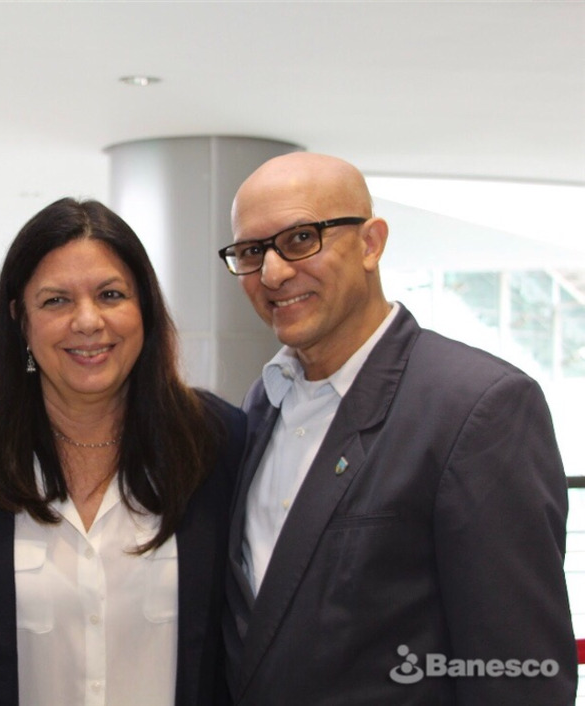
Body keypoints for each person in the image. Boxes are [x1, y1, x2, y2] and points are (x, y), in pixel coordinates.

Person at [219, 152, 576, 704]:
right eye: (250, 251)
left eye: (300, 239)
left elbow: (521, 674)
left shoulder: (477, 407)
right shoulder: (263, 403)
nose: (272, 272)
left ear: (370, 243)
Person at [0, 197, 245, 705]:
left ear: (144, 308)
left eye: (110, 294)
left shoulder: (216, 441)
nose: (88, 321)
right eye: (56, 301)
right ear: (21, 320)